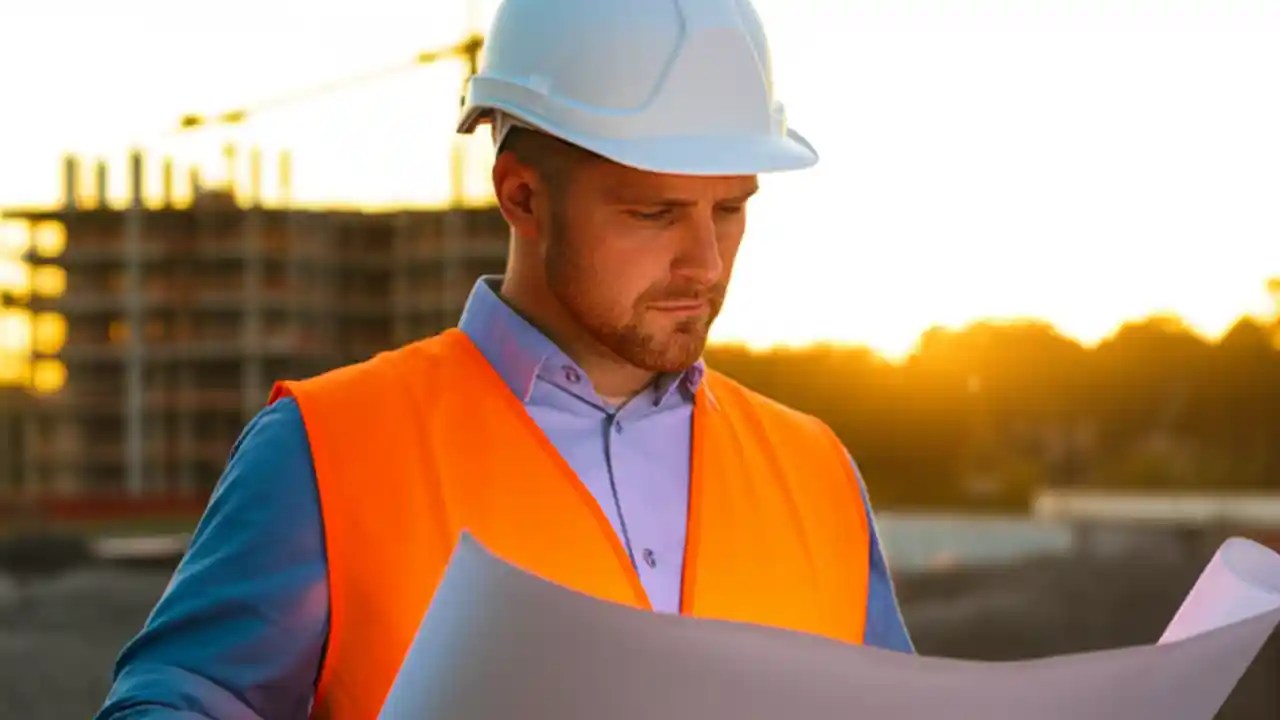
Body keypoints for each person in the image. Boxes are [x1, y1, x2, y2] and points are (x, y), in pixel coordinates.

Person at [97, 0, 913, 717]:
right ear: (521, 195)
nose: (704, 261)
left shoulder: (818, 477)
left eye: (730, 209)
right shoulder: (327, 448)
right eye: (653, 212)